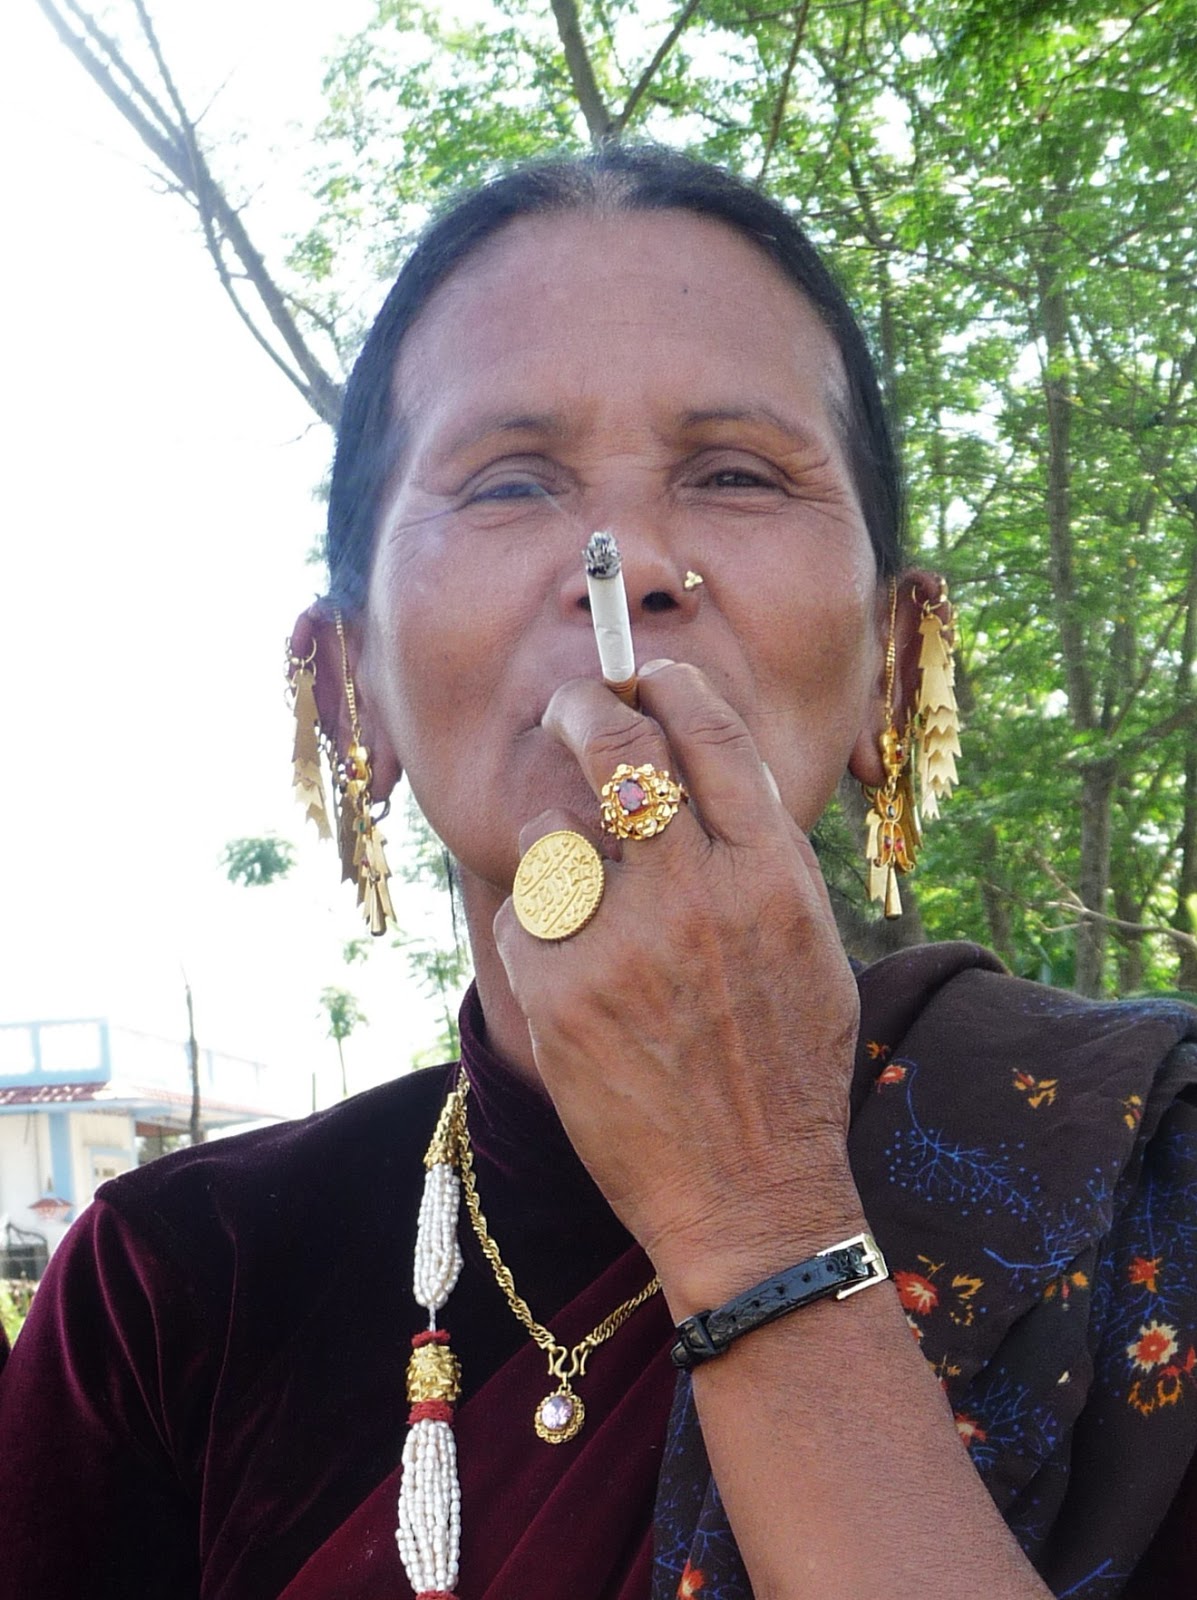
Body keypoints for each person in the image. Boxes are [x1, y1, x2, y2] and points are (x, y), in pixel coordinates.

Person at [1, 145, 1195, 1600]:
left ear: (895, 663)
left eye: (736, 474)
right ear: (346, 689)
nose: (620, 565)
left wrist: (757, 1219)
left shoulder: (1144, 1179)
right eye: (508, 483)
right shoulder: (174, 1285)